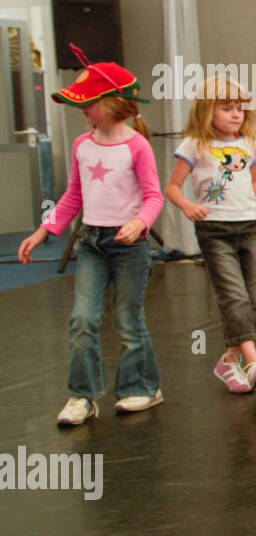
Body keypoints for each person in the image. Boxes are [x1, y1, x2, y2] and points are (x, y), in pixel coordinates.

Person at [18, 57, 164, 424]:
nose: (82, 109)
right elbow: (73, 196)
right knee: (82, 319)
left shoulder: (137, 147)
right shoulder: (83, 146)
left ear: (114, 104)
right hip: (93, 246)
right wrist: (43, 231)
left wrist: (139, 223)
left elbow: (154, 196)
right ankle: (82, 396)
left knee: (128, 320)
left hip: (129, 248)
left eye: (88, 102)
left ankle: (142, 388)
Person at [165, 75, 256, 393]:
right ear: (207, 111)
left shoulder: (249, 144)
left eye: (240, 110)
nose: (236, 115)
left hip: (248, 227)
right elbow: (172, 187)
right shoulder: (194, 145)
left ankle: (228, 361)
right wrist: (188, 206)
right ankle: (253, 360)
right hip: (214, 230)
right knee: (235, 297)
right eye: (227, 109)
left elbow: (253, 182)